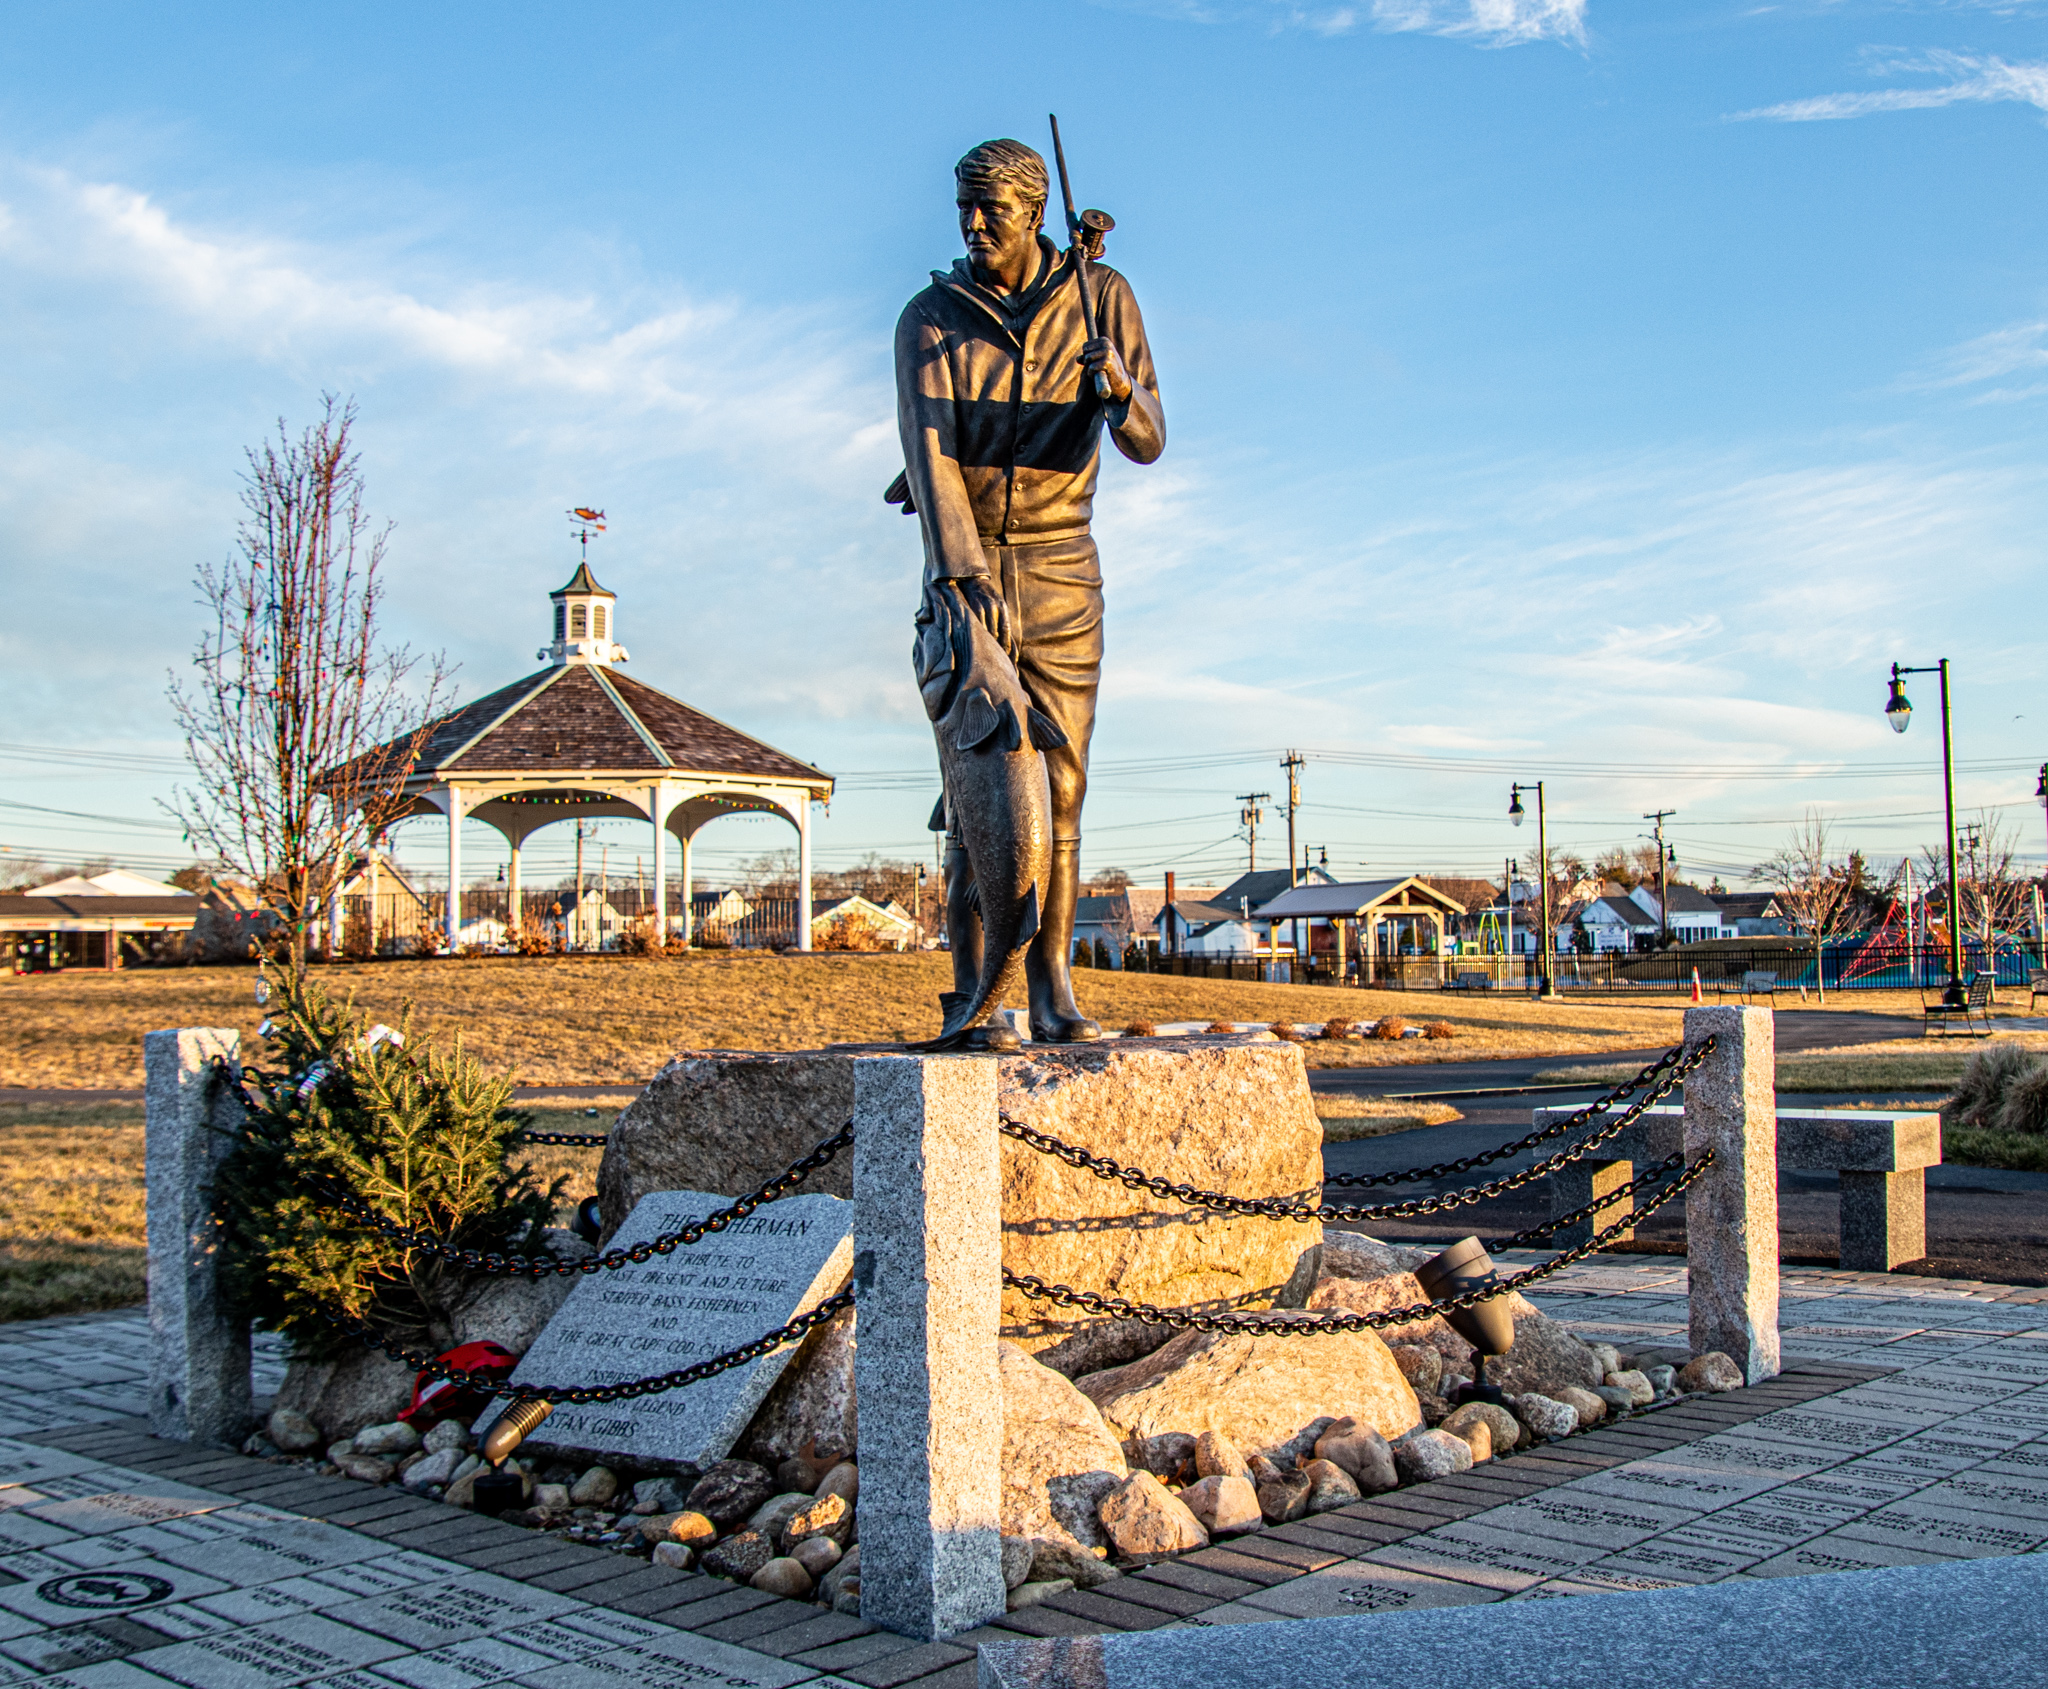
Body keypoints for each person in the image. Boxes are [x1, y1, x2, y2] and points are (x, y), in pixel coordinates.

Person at [892, 137, 1165, 1041]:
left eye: (991, 209)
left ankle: (1052, 985)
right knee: (979, 779)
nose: (972, 224)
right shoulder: (929, 317)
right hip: (964, 565)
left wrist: (1116, 390)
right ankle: (975, 990)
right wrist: (961, 584)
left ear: (1035, 214)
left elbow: (1149, 439)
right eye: (962, 206)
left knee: (1062, 786)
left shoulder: (1102, 296)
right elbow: (929, 459)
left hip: (1059, 566)